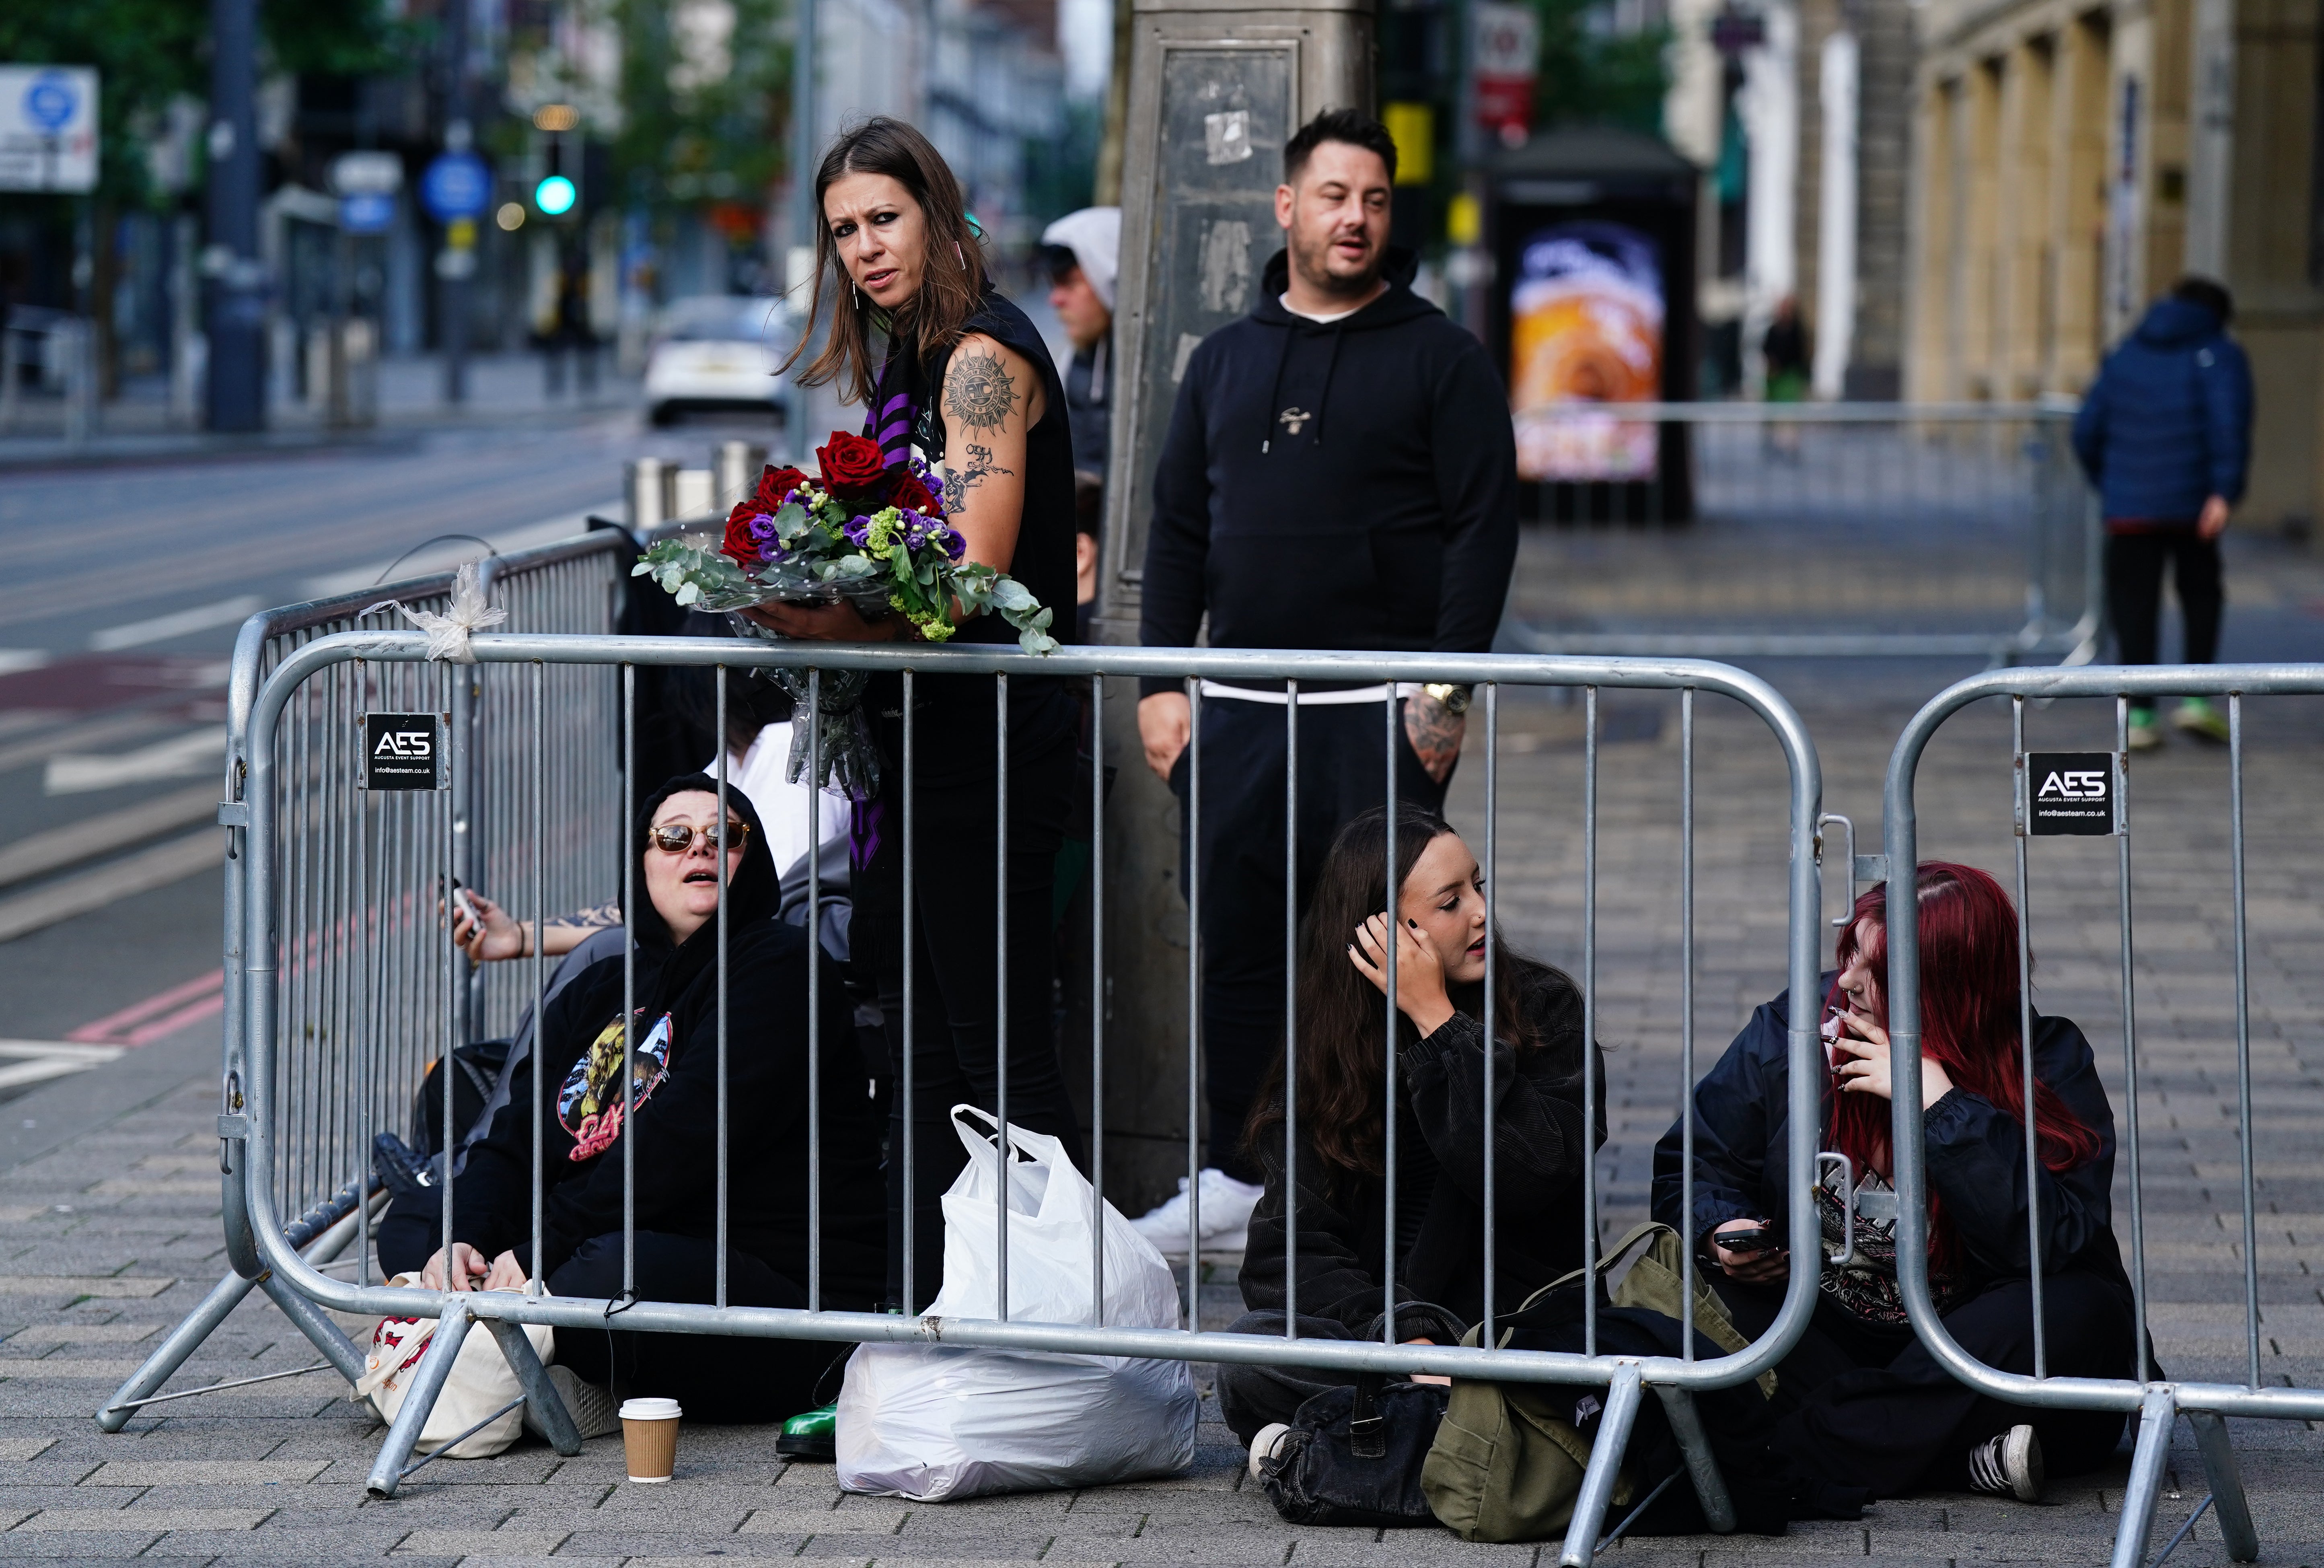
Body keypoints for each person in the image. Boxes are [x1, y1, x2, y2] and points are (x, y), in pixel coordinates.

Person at [1134, 108, 1520, 1256]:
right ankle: (1233, 1185)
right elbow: (1177, 528)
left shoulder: (1439, 355)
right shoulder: (1225, 360)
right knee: (1240, 956)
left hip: (1374, 722)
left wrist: (1442, 702)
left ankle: (1366, 1193)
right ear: (1287, 208)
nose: (1355, 217)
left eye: (1375, 200)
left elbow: (1481, 533)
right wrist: (1162, 689)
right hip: (1239, 720)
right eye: (1335, 195)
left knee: (1378, 956)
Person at [763, 116, 1084, 1309]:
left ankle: (1066, 1327)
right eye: (843, 230)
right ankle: (923, 1325)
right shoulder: (914, 362)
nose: (864, 248)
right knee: (930, 1051)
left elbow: (970, 577)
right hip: (928, 746)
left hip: (991, 740)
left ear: (939, 216)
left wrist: (822, 625)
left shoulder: (981, 361)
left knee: (999, 1054)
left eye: (883, 219)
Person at [407, 774, 885, 1424]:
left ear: (755, 857)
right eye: (675, 836)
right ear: (642, 862)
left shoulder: (780, 964)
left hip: (773, 1290)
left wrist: (539, 1248)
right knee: (414, 1220)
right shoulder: (603, 984)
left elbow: (680, 1141)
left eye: (726, 836)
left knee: (613, 1269)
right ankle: (539, 1347)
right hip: (607, 1231)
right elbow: (515, 1134)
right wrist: (462, 1238)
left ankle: (533, 1351)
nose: (700, 850)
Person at [1651, 863, 2135, 1504]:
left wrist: (1938, 1103)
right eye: (1849, 948)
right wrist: (1721, 1231)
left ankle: (1772, 1461)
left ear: (1943, 987)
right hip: (1831, 1335)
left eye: (1872, 967)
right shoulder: (1793, 1032)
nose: (1846, 979)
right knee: (1694, 1289)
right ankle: (1954, 1456)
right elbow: (1692, 1164)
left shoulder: (2046, 1061)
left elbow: (2050, 1244)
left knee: (2074, 1309)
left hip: (1973, 1348)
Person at [1219, 805, 1601, 1455]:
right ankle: (1419, 1433)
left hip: (1518, 1342)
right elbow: (1289, 1250)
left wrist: (1440, 1024)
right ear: (1379, 933)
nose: (1480, 912)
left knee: (1556, 1383)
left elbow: (1526, 1175)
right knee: (1247, 1359)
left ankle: (1355, 1446)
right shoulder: (1330, 1049)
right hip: (1392, 1349)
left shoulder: (1544, 1010)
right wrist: (1398, 1334)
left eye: (1478, 887)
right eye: (1451, 901)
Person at [2073, 274, 2254, 751]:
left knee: (2133, 606)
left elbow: (2087, 430)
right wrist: (2224, 492)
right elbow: (2229, 425)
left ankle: (2140, 715)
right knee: (2200, 597)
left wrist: (2111, 484)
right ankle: (2196, 702)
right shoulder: (2219, 354)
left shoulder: (2126, 354)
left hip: (2129, 507)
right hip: (2196, 508)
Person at [1039, 206, 1120, 501]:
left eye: (1070, 283)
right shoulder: (1073, 361)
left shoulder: (1149, 370)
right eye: (1053, 284)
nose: (1056, 298)